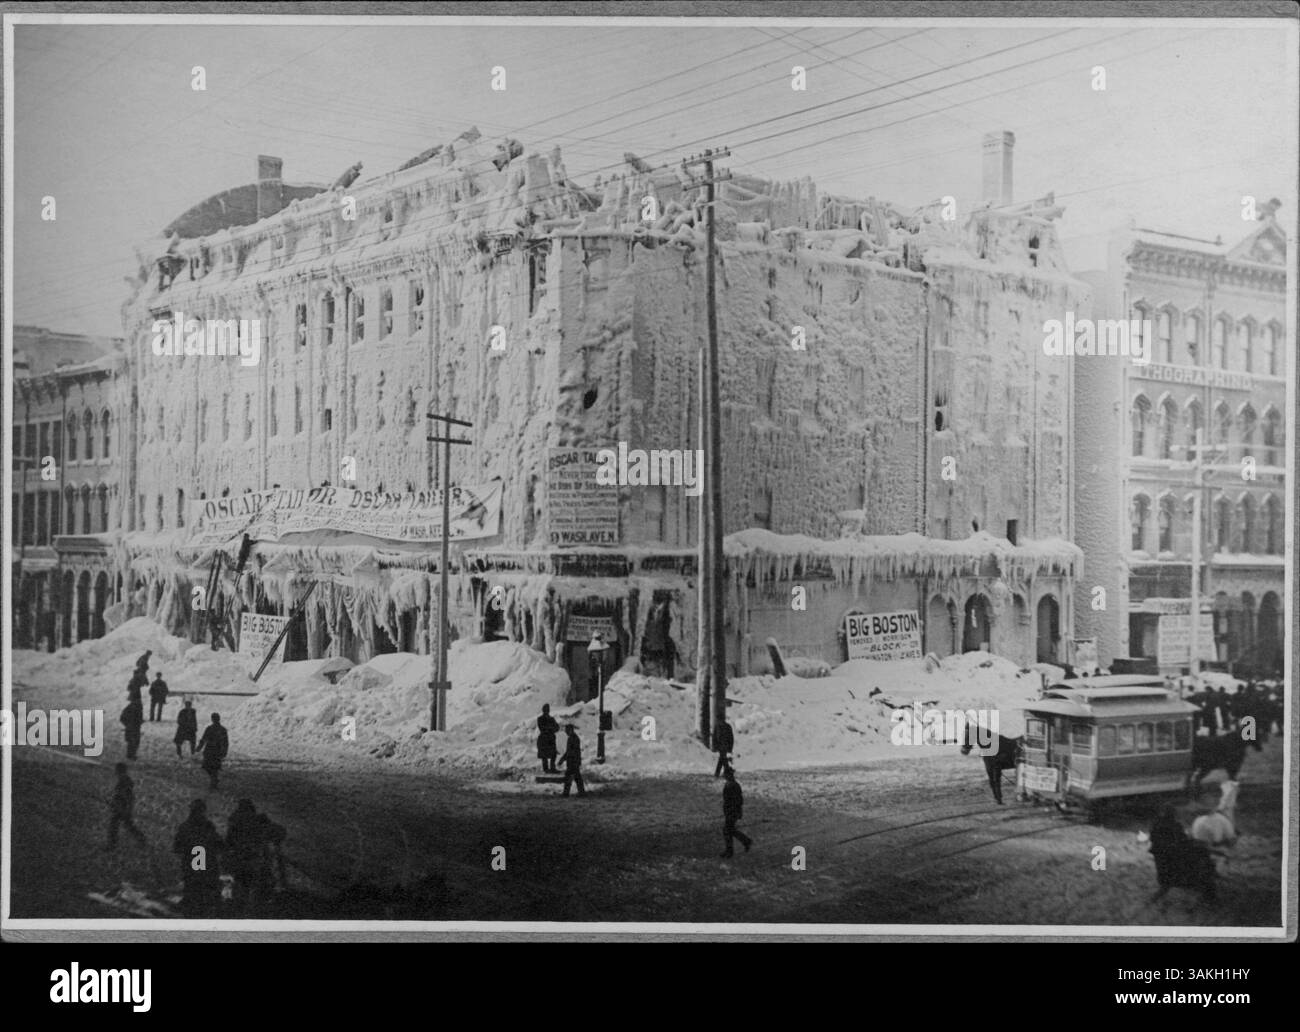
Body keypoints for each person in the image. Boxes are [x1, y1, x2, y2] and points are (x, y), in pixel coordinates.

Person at [173, 799, 224, 916]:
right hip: (207, 864)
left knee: (191, 885)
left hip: (191, 864)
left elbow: (177, 847)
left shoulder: (185, 827)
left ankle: (189, 903)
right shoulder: (208, 826)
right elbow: (219, 844)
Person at [225, 799, 271, 913]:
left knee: (240, 882)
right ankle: (252, 908)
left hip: (239, 858)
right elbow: (265, 838)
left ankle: (239, 908)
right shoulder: (257, 820)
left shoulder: (234, 820)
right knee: (253, 884)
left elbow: (229, 841)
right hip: (254, 858)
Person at [106, 762, 146, 849]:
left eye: (116, 770)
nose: (115, 772)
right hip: (120, 807)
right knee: (125, 825)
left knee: (117, 825)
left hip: (122, 807)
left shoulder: (124, 781)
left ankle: (112, 844)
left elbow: (126, 796)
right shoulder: (124, 780)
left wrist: (126, 807)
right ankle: (141, 839)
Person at [720, 766, 752, 858]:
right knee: (729, 830)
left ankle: (730, 850)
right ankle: (745, 842)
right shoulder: (730, 784)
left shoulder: (733, 785)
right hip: (730, 811)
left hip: (732, 811)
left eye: (726, 774)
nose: (725, 776)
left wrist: (734, 811)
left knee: (727, 830)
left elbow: (739, 800)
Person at [196, 713, 230, 790]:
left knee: (210, 767)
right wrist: (224, 751)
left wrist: (199, 747)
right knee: (212, 767)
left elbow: (204, 739)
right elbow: (226, 742)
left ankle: (213, 783)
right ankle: (214, 780)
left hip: (211, 751)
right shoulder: (221, 729)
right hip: (215, 751)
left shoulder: (212, 728)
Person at [558, 724, 586, 797]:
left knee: (569, 777)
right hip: (574, 761)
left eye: (566, 730)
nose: (566, 732)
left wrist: (563, 759)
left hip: (573, 761)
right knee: (576, 777)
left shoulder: (573, 738)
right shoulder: (573, 738)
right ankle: (581, 793)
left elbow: (570, 751)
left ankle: (566, 793)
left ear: (570, 730)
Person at [536, 703, 559, 773]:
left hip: (551, 739)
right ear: (543, 710)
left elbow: (557, 727)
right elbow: (542, 728)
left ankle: (552, 768)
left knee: (553, 755)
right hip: (544, 740)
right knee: (544, 756)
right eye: (545, 709)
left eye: (548, 709)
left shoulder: (552, 719)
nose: (547, 710)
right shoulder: (540, 719)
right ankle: (545, 769)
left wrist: (549, 729)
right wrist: (551, 729)